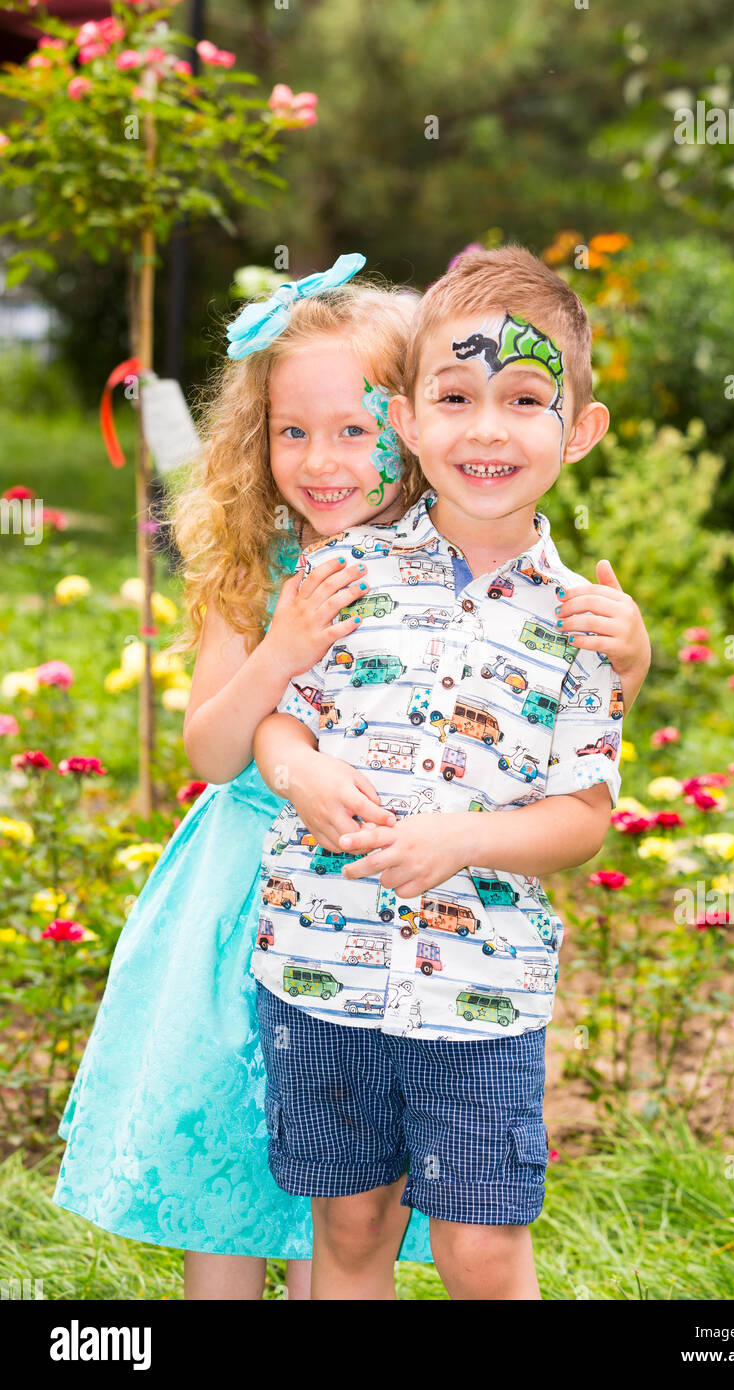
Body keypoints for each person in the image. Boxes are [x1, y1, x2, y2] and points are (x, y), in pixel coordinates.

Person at [251, 243, 651, 1299]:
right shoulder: (340, 576)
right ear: (408, 419)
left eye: (525, 399)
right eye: (456, 396)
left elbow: (583, 815)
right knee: (347, 1226)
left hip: (481, 992)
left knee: (480, 1244)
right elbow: (277, 727)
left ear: (580, 429)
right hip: (317, 968)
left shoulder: (586, 624)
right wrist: (298, 777)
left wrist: (461, 841)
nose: (484, 428)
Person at [51, 256, 436, 1300]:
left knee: (349, 1200)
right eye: (291, 431)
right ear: (254, 441)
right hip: (240, 896)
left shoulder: (444, 567)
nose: (320, 460)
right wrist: (282, 647)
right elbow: (211, 750)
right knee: (226, 1159)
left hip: (375, 908)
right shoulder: (251, 567)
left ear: (414, 426)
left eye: (354, 430)